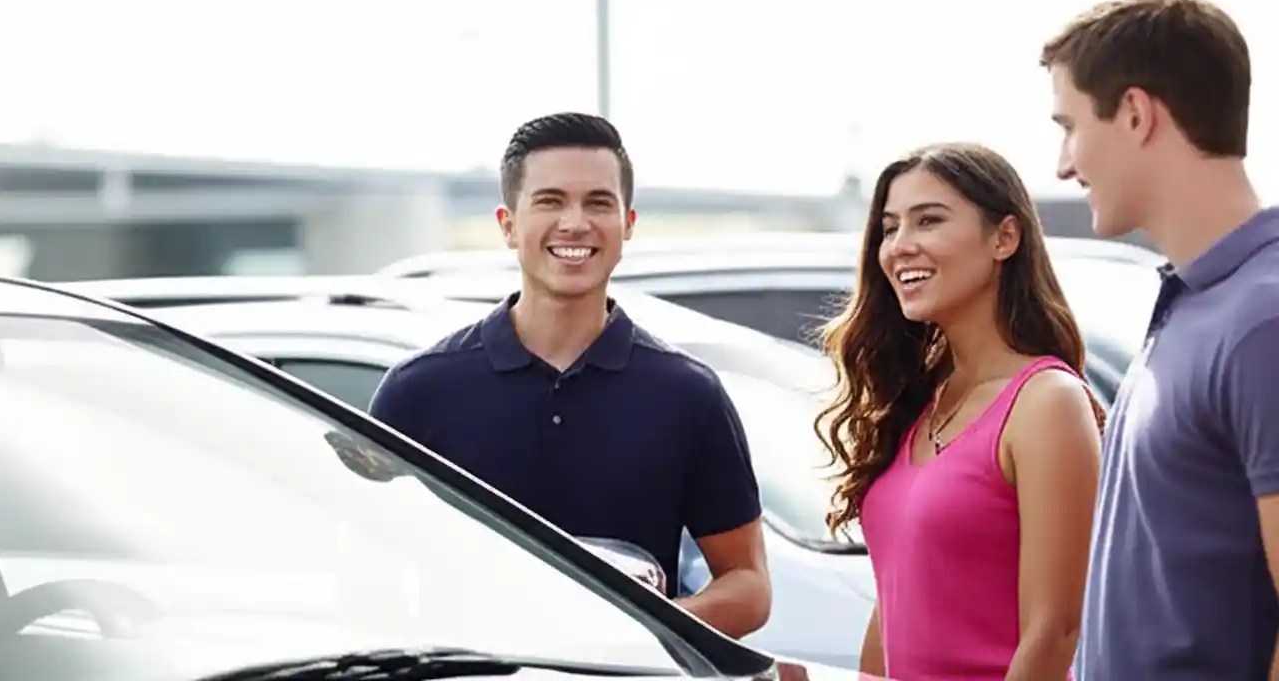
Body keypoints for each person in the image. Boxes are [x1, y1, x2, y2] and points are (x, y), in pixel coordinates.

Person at [367, 111, 770, 638]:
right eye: (550, 200)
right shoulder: (417, 391)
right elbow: (368, 573)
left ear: (627, 224)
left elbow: (747, 583)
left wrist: (637, 634)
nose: (575, 223)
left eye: (598, 203)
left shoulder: (687, 393)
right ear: (508, 224)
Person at [1042, 0, 1279, 680]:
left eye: (1069, 126)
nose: (1062, 163)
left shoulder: (1262, 321)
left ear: (1137, 114)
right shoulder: (1193, 301)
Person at [814, 142, 1104, 680]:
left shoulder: (1046, 402)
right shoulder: (921, 401)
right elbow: (893, 609)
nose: (900, 246)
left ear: (1004, 237)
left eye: (928, 221)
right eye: (890, 227)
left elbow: (1055, 631)